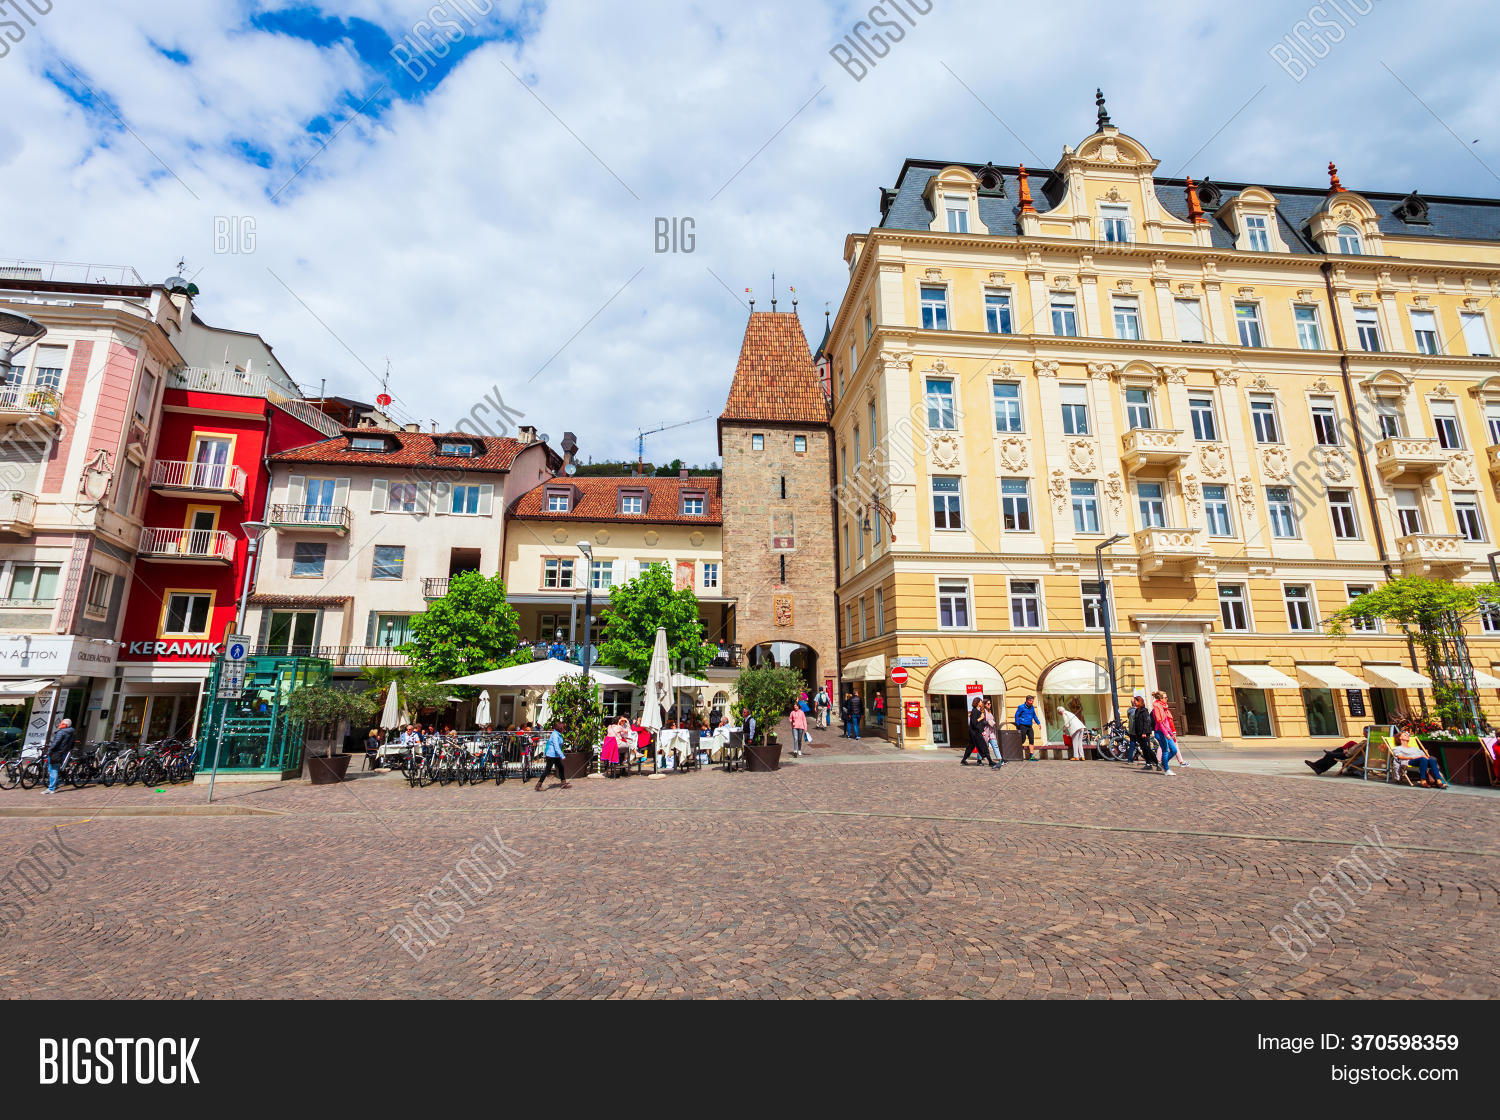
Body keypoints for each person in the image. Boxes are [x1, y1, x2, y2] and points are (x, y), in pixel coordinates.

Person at [962, 697, 999, 768]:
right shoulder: (975, 711)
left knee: (970, 747)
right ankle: (990, 761)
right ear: (978, 703)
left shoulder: (976, 711)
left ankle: (963, 760)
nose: (982, 703)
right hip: (975, 733)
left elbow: (979, 723)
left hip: (975, 733)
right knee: (984, 747)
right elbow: (974, 723)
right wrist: (981, 718)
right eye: (981, 702)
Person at [535, 721, 571, 791]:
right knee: (547, 770)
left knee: (561, 767)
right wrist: (562, 756)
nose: (564, 729)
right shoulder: (555, 735)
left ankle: (563, 782)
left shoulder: (558, 734)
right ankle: (538, 785)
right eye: (563, 728)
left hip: (555, 755)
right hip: (551, 755)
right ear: (560, 728)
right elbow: (556, 746)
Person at [1151, 691, 1179, 776]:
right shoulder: (1157, 707)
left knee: (1174, 750)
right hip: (1160, 732)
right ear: (1160, 699)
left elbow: (1167, 722)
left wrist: (1171, 732)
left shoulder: (1164, 707)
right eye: (1165, 697)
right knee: (1165, 750)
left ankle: (1163, 763)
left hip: (1167, 732)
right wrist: (1166, 734)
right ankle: (1167, 769)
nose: (1167, 699)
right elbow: (1160, 722)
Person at [44, 717, 74, 795]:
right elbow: (72, 744)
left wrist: (49, 750)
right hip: (63, 752)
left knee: (53, 770)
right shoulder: (72, 732)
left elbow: (56, 742)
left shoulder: (61, 732)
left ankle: (51, 788)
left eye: (62, 723)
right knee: (55, 769)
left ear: (66, 725)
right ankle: (56, 784)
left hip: (56, 752)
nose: (60, 724)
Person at [1127, 695, 1158, 769]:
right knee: (1144, 749)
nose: (1134, 703)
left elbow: (1147, 722)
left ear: (1139, 702)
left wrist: (1144, 732)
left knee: (1148, 749)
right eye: (1134, 702)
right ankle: (1148, 764)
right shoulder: (1137, 710)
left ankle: (1156, 763)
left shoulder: (1144, 711)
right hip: (1138, 733)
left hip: (1144, 733)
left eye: (1135, 701)